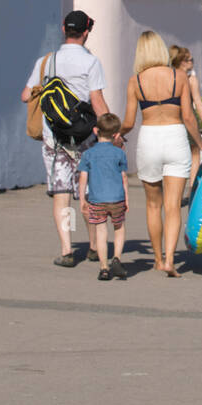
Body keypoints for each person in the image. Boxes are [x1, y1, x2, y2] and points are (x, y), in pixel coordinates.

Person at [21, 10, 111, 268]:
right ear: (86, 31)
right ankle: (94, 246)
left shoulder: (45, 62)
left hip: (55, 138)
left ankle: (66, 250)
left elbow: (26, 96)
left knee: (61, 194)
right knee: (89, 194)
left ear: (63, 29)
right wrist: (111, 131)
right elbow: (97, 101)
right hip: (85, 139)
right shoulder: (91, 62)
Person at [121, 30, 202, 276]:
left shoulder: (135, 81)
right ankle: (171, 259)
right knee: (173, 206)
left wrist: (117, 134)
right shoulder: (179, 76)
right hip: (175, 138)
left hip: (149, 138)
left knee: (153, 205)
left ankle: (158, 258)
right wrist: (201, 144)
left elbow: (129, 121)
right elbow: (187, 116)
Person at [77, 113, 129, 281]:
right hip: (117, 198)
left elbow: (83, 178)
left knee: (101, 231)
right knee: (119, 228)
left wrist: (82, 199)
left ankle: (104, 268)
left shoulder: (88, 154)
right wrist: (126, 198)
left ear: (95, 130)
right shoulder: (119, 153)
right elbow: (124, 177)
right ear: (116, 135)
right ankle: (117, 258)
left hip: (96, 199)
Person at [170, 45, 202, 191]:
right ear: (182, 61)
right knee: (194, 152)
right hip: (187, 117)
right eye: (190, 59)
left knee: (176, 155)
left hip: (172, 118)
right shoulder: (190, 79)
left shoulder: (169, 77)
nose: (192, 62)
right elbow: (198, 103)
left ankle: (176, 188)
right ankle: (192, 186)